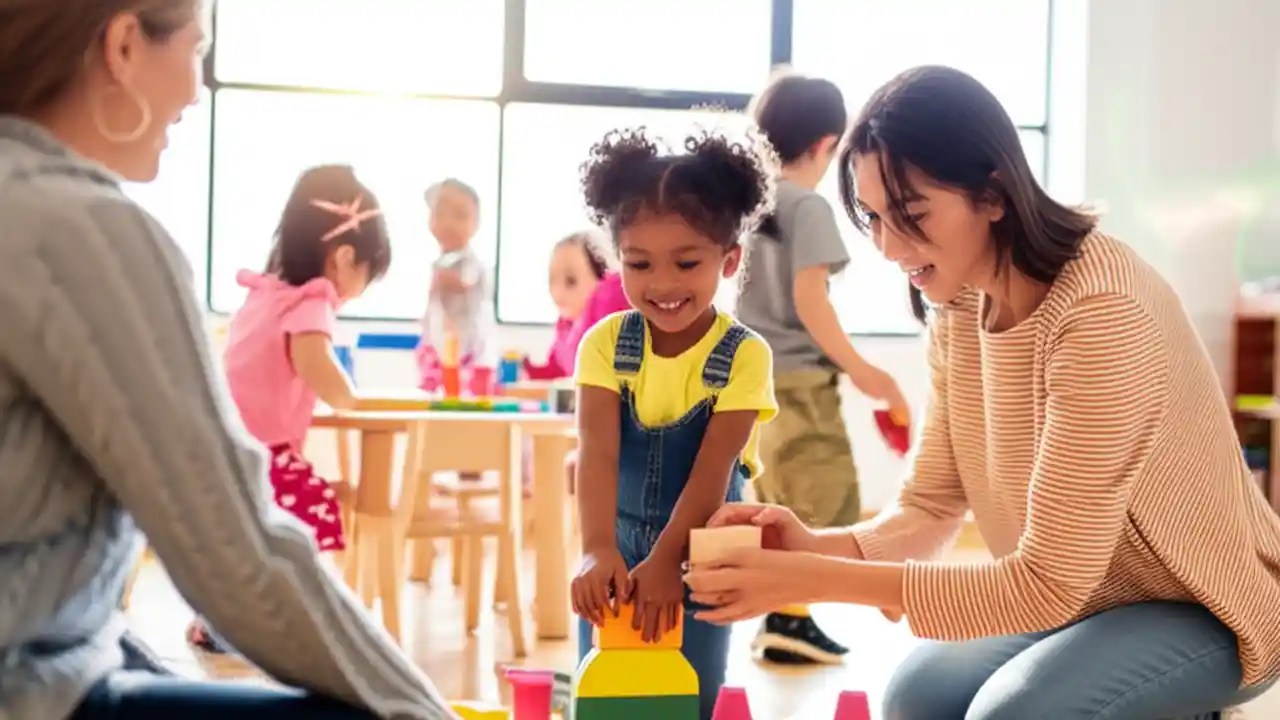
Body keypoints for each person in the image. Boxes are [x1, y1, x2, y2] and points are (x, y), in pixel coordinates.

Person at [684, 65, 1280, 719]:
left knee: (1013, 716)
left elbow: (1046, 582)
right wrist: (815, 547)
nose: (888, 246)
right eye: (874, 218)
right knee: (916, 697)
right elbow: (932, 503)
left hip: (1204, 606)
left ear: (993, 193)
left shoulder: (1103, 312)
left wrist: (811, 581)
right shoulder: (961, 305)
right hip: (1086, 601)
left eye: (910, 214)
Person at [0, 2, 457, 718]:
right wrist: (426, 711)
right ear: (124, 45)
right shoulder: (84, 228)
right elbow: (241, 558)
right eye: (197, 52)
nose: (196, 90)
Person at [570, 125, 779, 720]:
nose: (662, 284)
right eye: (639, 264)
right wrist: (594, 550)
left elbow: (714, 472)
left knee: (690, 692)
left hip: (706, 553)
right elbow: (598, 455)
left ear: (729, 258)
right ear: (618, 261)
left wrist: (667, 562)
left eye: (687, 262)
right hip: (614, 544)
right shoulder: (605, 345)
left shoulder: (744, 355)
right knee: (607, 690)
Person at [737, 70, 911, 666]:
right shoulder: (807, 206)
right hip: (801, 383)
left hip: (750, 381)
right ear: (825, 145)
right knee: (823, 501)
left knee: (776, 498)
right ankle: (791, 617)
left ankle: (781, 616)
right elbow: (812, 301)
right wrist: (867, 373)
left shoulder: (747, 206)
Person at [186, 163, 388, 653]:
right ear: (342, 258)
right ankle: (285, 622)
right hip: (265, 455)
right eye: (365, 273)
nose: (357, 288)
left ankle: (217, 618)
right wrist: (350, 397)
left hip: (228, 448)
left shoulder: (264, 295)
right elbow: (313, 360)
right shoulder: (311, 302)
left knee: (251, 536)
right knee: (313, 516)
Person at [416, 178, 493, 394]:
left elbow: (464, 283)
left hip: (468, 354)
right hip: (438, 350)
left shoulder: (471, 263)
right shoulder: (440, 262)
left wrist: (444, 279)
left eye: (459, 215)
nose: (448, 223)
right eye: (440, 213)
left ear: (475, 223)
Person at [524, 230, 631, 381]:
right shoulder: (565, 327)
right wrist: (528, 367)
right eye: (551, 280)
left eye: (571, 281)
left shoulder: (607, 305)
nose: (558, 292)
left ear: (602, 277)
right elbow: (557, 372)